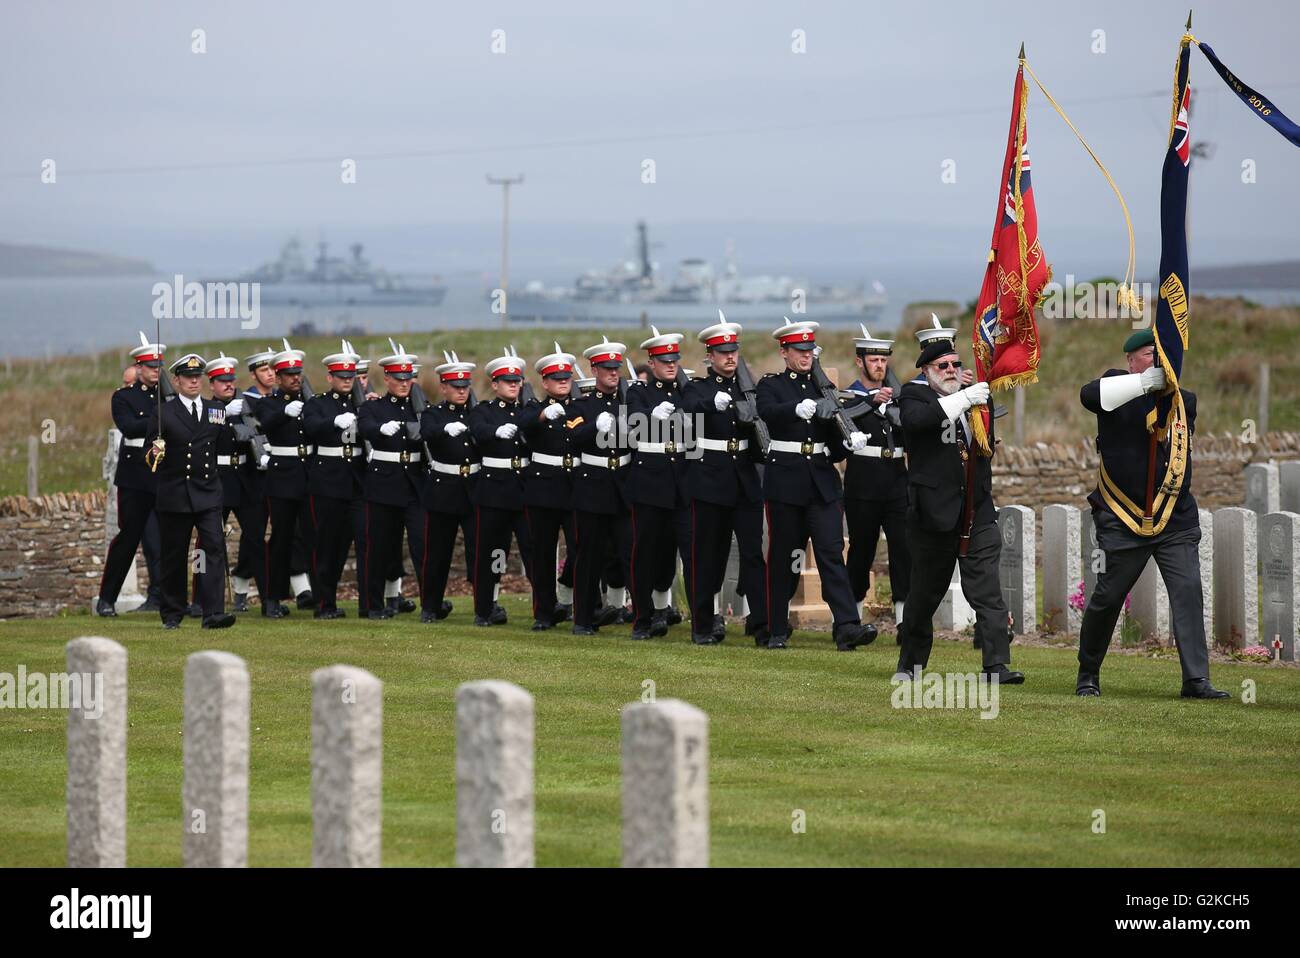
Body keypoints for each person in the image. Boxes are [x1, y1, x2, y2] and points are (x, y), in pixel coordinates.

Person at [1075, 329, 1227, 699]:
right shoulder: (1115, 386)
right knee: (1109, 597)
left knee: (1188, 591)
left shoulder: (1183, 401)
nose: (1157, 360)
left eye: (1161, 354)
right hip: (1123, 516)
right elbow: (1088, 395)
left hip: (1174, 517)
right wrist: (1144, 383)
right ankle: (1088, 672)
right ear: (1131, 360)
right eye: (1147, 354)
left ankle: (1195, 679)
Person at [894, 321, 1022, 683]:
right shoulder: (915, 396)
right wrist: (963, 398)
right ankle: (911, 666)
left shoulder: (974, 395)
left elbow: (986, 447)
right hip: (933, 515)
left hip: (976, 511)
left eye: (954, 364)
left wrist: (975, 397)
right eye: (942, 367)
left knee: (988, 593)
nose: (950, 371)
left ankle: (996, 665)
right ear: (926, 372)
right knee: (923, 597)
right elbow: (919, 423)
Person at [756, 320, 874, 651]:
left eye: (809, 350)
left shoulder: (823, 390)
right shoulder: (772, 385)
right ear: (785, 352)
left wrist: (847, 444)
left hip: (822, 483)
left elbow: (831, 442)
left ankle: (847, 626)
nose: (806, 356)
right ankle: (776, 626)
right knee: (784, 556)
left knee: (831, 553)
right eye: (799, 350)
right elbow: (765, 412)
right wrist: (794, 409)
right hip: (786, 484)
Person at [679, 318, 767, 645]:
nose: (730, 357)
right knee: (708, 556)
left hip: (744, 480)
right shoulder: (699, 388)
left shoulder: (749, 387)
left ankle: (761, 625)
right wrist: (709, 404)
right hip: (710, 481)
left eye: (733, 351)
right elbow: (688, 406)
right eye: (722, 352)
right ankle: (703, 625)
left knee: (753, 555)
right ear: (710, 356)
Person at [144, 354, 235, 630]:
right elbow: (148, 458)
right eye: (188, 377)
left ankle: (213, 613)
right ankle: (172, 612)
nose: (194, 381)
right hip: (176, 493)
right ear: (177, 380)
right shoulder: (164, 412)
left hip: (207, 492)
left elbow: (222, 449)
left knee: (213, 551)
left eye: (198, 376)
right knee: (174, 554)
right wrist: (155, 453)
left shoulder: (215, 410)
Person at [623, 327, 692, 640]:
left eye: (674, 359)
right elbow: (632, 422)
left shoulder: (685, 390)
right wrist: (652, 414)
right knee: (645, 551)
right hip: (649, 480)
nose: (670, 365)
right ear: (652, 363)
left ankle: (668, 611)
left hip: (681, 481)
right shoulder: (640, 391)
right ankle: (642, 617)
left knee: (676, 551)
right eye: (664, 360)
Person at [843, 325, 911, 634]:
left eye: (884, 360)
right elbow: (845, 417)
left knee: (903, 549)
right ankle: (851, 616)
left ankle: (903, 618)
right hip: (863, 483)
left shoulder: (899, 397)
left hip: (897, 480)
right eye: (873, 360)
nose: (879, 366)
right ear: (860, 362)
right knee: (861, 551)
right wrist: (872, 401)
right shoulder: (850, 397)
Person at [97, 335, 167, 616]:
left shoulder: (169, 396)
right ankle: (107, 599)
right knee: (128, 539)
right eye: (151, 366)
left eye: (159, 366)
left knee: (162, 540)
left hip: (163, 474)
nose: (156, 371)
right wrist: (159, 419)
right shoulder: (124, 397)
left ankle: (164, 597)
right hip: (136, 477)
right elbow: (129, 427)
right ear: (139, 367)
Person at [569, 339, 633, 635]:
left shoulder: (628, 401)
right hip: (592, 487)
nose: (613, 373)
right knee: (589, 555)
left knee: (629, 551)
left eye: (615, 368)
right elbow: (572, 438)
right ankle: (583, 618)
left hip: (622, 485)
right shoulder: (582, 404)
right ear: (595, 369)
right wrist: (596, 425)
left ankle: (640, 616)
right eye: (607, 368)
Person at [356, 345, 426, 619]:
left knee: (422, 546)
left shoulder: (421, 409)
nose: (404, 383)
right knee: (379, 548)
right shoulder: (374, 407)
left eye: (408, 379)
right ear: (387, 379)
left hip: (415, 486)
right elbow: (365, 427)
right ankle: (373, 605)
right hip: (384, 485)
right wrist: (379, 430)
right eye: (398, 379)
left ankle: (430, 604)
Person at [467, 351, 533, 626]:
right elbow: (478, 430)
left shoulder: (528, 410)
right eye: (507, 382)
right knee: (494, 553)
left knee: (533, 550)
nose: (514, 385)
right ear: (495, 385)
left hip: (525, 489)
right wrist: (496, 431)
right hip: (495, 491)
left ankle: (545, 607)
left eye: (517, 381)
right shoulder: (484, 411)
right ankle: (486, 607)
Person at [301, 344, 367, 619]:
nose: (346, 381)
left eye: (350, 376)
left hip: (358, 482)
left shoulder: (363, 404)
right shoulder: (318, 403)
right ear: (330, 377)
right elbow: (310, 427)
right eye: (341, 376)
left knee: (363, 542)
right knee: (327, 545)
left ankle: (369, 605)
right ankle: (324, 603)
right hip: (328, 482)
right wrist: (334, 422)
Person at [252, 342, 314, 618]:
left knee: (312, 536)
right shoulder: (268, 404)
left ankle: (318, 596)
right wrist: (283, 413)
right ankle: (273, 598)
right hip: (283, 474)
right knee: (281, 539)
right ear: (277, 377)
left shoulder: (312, 402)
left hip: (309, 474)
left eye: (297, 373)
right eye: (288, 374)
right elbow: (265, 423)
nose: (295, 378)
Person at [521, 345, 580, 631]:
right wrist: (545, 414)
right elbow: (525, 425)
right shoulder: (534, 408)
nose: (563, 382)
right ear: (545, 382)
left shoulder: (580, 407)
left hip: (574, 486)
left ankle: (569, 599)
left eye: (566, 377)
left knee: (580, 548)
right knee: (542, 553)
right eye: (556, 379)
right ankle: (543, 612)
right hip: (543, 487)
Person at [419, 352, 479, 623]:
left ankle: (484, 608)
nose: (462, 391)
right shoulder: (434, 414)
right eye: (456, 387)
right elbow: (427, 433)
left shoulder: (479, 413)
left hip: (474, 489)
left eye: (465, 386)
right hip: (444, 490)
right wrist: (446, 429)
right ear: (443, 387)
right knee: (437, 553)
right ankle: (430, 606)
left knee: (478, 552)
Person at [224, 347, 275, 611]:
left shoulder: (279, 399)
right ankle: (205, 600)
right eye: (264, 369)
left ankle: (268, 597)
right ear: (254, 374)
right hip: (237, 478)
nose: (271, 374)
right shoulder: (242, 404)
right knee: (213, 543)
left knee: (255, 537)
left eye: (272, 369)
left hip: (267, 476)